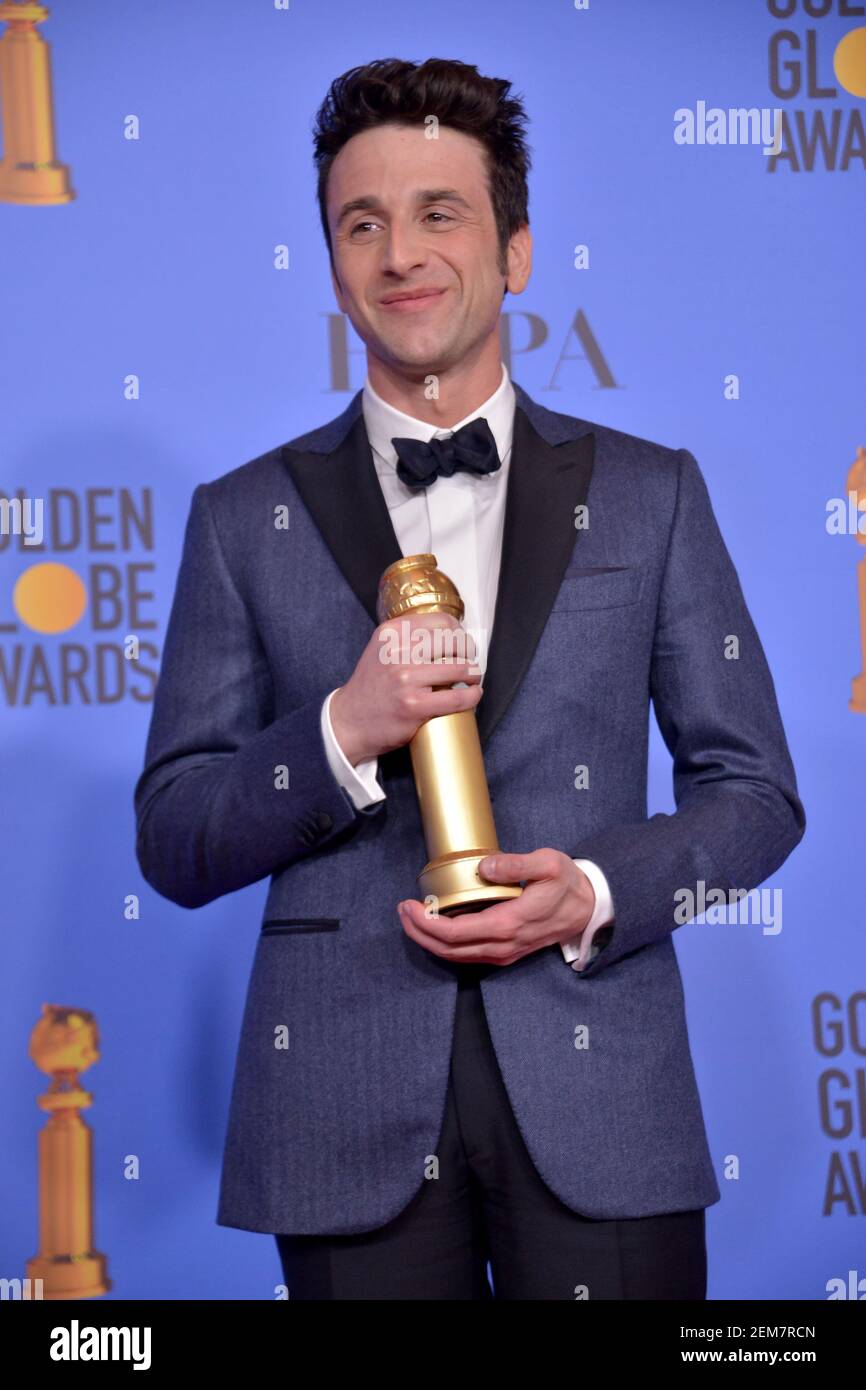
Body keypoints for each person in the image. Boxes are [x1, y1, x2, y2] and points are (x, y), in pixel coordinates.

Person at [134, 57, 805, 1300]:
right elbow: (173, 838)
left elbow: (755, 793)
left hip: (604, 1088)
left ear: (516, 250)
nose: (399, 253)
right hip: (339, 1107)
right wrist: (340, 729)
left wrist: (596, 889)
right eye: (362, 222)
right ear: (332, 263)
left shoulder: (651, 493)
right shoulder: (241, 518)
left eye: (438, 212)